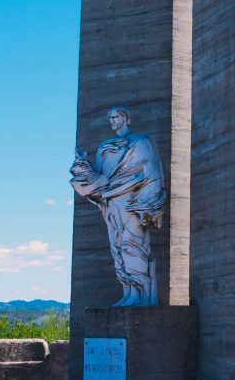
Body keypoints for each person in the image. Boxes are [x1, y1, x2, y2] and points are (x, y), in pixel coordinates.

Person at [70, 106, 165, 306]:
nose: (112, 121)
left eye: (115, 117)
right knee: (118, 246)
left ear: (125, 118)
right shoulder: (105, 147)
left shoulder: (141, 142)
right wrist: (83, 167)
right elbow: (103, 178)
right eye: (110, 118)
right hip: (111, 203)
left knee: (133, 244)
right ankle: (129, 292)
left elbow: (153, 174)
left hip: (131, 202)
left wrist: (149, 203)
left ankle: (143, 295)